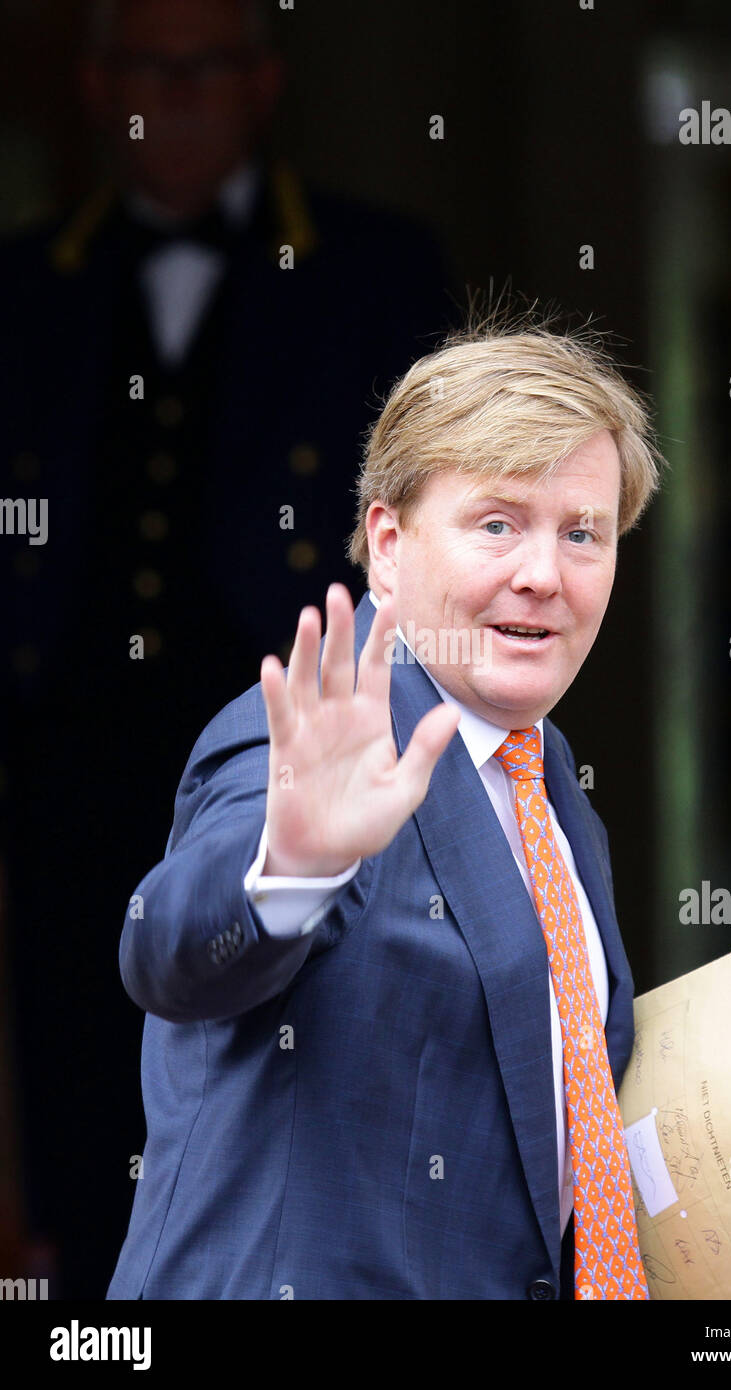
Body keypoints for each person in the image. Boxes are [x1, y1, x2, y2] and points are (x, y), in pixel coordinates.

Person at [1, 0, 450, 1296]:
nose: (179, 95)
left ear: (266, 83)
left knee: (294, 1067)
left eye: (209, 65)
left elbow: (424, 524)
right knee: (87, 1083)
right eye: (149, 63)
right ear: (95, 85)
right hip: (74, 775)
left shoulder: (376, 266)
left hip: (288, 745)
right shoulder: (25, 285)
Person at [106, 315, 662, 1300]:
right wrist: (293, 863)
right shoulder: (321, 738)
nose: (544, 571)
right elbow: (167, 950)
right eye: (498, 522)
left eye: (583, 532)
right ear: (390, 544)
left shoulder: (551, 785)